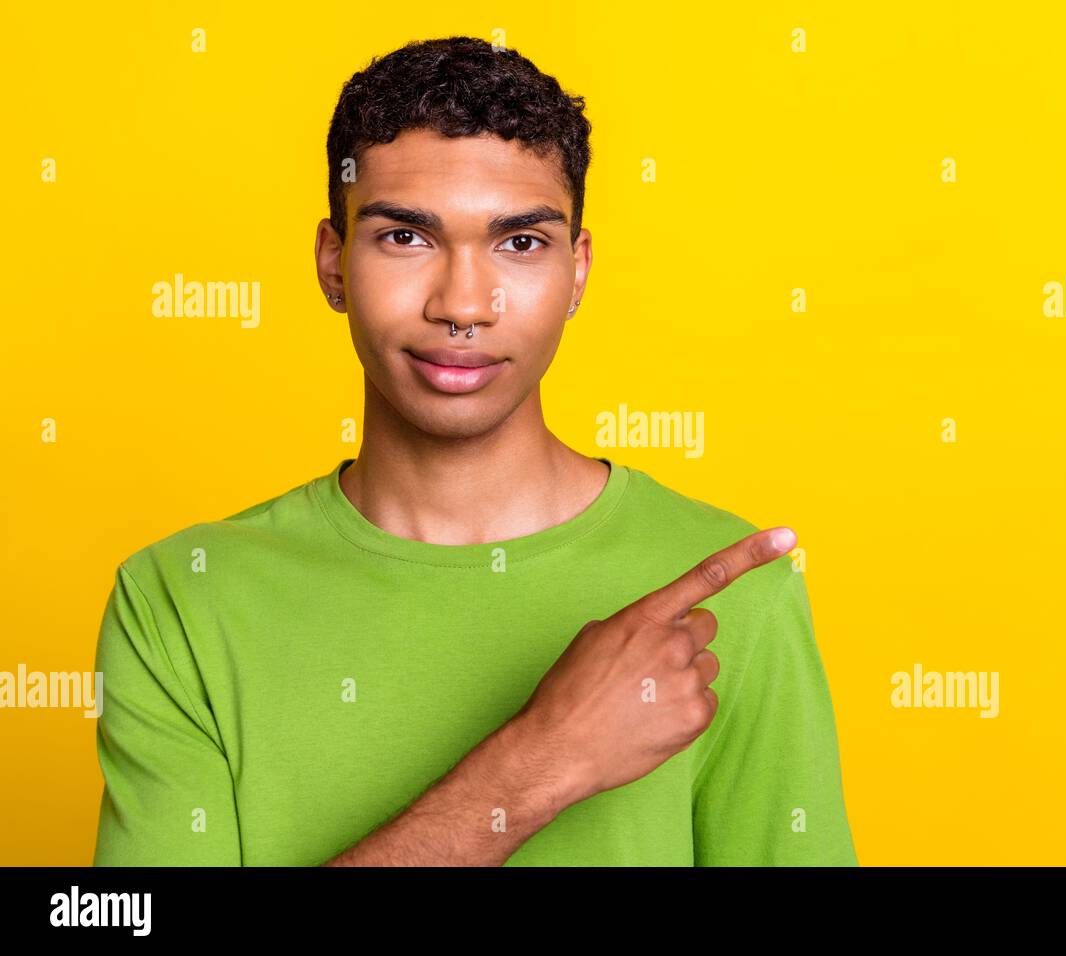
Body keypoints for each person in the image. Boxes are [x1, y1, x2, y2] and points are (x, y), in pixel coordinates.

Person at [91, 35, 856, 867]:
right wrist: (545, 758)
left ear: (578, 271)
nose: (464, 304)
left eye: (520, 243)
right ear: (332, 262)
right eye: (405, 239)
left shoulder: (731, 596)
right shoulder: (179, 599)